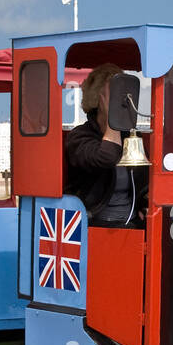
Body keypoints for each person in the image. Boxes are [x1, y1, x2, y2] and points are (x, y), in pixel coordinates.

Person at [64, 62, 148, 227]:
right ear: (98, 98)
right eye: (115, 93)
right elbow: (106, 157)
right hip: (94, 223)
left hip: (131, 222)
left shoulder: (131, 137)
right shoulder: (79, 137)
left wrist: (144, 203)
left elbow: (144, 179)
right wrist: (114, 117)